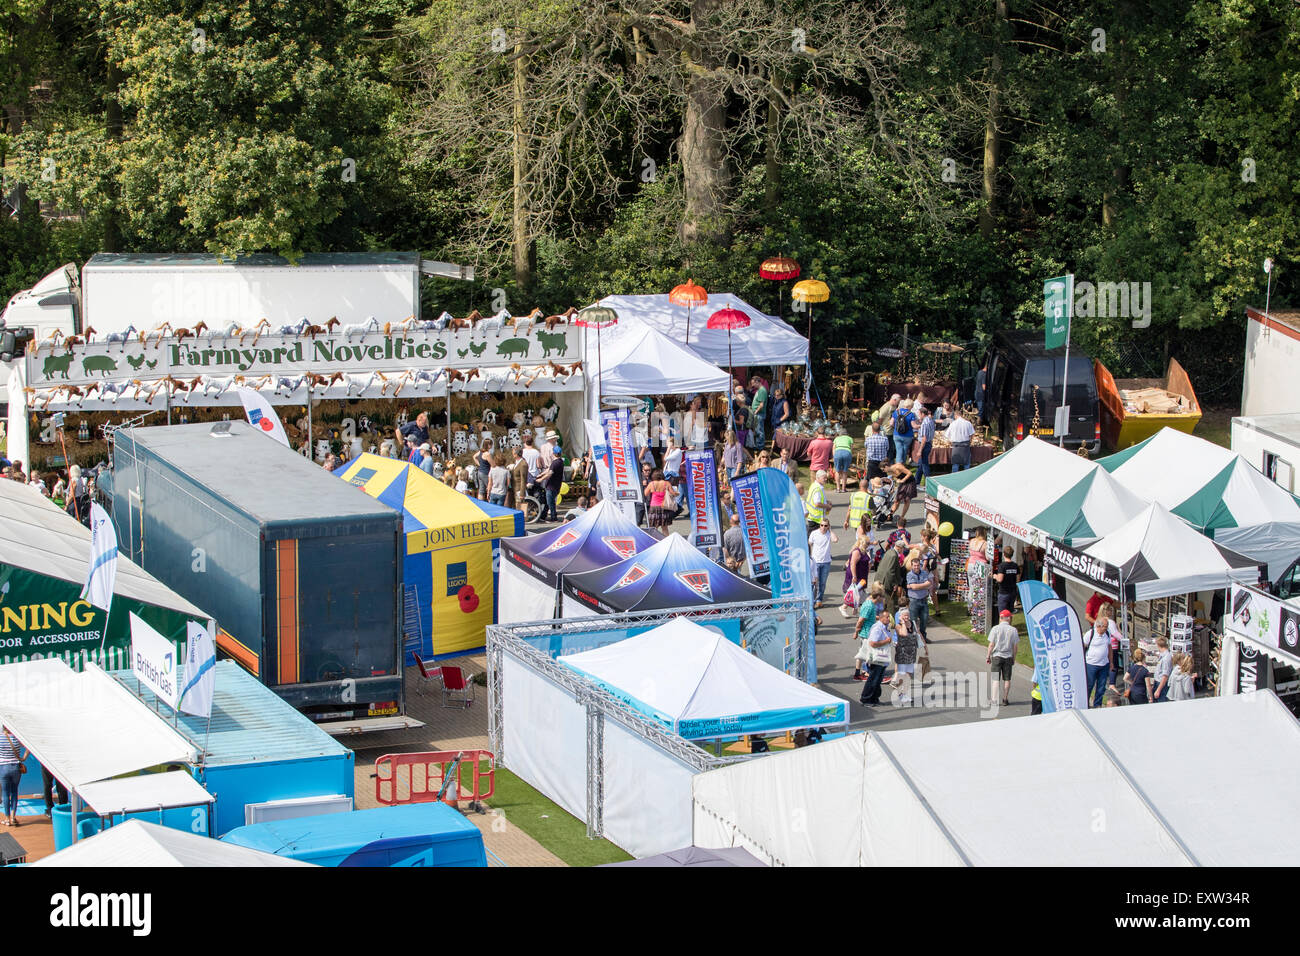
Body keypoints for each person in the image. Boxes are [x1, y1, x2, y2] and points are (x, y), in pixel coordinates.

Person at [1083, 605, 1121, 708]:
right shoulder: (1090, 634)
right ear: (1099, 626)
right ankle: (1085, 704)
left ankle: (1097, 705)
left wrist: (1111, 662)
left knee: (1101, 686)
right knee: (1090, 685)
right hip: (1091, 664)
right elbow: (1083, 646)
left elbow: (1109, 647)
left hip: (1104, 664)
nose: (1106, 628)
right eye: (1105, 626)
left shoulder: (1107, 634)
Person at [858, 608, 895, 706]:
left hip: (882, 658)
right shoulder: (877, 628)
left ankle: (874, 698)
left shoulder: (884, 626)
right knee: (873, 679)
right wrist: (886, 641)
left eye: (889, 617)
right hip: (876, 658)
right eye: (887, 617)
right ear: (881, 618)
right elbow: (872, 643)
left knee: (878, 679)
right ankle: (866, 699)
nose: (889, 619)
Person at [986, 608, 1020, 707]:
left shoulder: (995, 629)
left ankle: (994, 700)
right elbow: (1015, 646)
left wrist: (988, 656)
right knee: (1007, 679)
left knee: (996, 679)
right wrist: (1013, 658)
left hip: (997, 656)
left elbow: (991, 644)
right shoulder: (1013, 630)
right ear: (1009, 619)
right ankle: (1005, 699)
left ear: (1001, 618)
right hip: (1008, 656)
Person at [891, 608, 919, 706]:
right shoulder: (898, 626)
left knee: (908, 675)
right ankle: (899, 694)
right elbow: (905, 634)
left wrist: (925, 647)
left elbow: (918, 634)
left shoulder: (912, 623)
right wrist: (903, 623)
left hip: (911, 653)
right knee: (902, 675)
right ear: (900, 617)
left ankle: (905, 693)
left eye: (907, 615)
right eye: (904, 615)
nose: (906, 617)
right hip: (902, 653)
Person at [0, 724, 26, 827]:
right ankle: (13, 817)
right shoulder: (17, 737)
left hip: (3, 768)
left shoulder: (0, 737)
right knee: (14, 792)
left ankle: (7, 819)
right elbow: (29, 747)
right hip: (16, 768)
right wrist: (23, 758)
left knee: (5, 793)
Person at [875, 536, 909, 613]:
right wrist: (894, 584)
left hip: (880, 579)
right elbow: (890, 571)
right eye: (903, 548)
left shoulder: (889, 551)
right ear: (899, 547)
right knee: (891, 603)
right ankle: (892, 621)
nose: (903, 550)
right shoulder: (894, 555)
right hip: (887, 582)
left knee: (883, 601)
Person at [808, 518, 837, 607]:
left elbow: (835, 540)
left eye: (825, 526)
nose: (823, 527)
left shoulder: (829, 534)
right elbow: (809, 543)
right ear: (819, 525)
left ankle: (819, 600)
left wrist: (831, 530)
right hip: (816, 562)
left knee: (822, 583)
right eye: (822, 525)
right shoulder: (814, 533)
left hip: (826, 562)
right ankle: (812, 601)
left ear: (828, 526)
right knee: (814, 582)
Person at [967, 528, 991, 632]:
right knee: (979, 590)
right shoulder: (984, 543)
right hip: (980, 566)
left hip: (970, 565)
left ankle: (969, 607)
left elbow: (970, 553)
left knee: (971, 588)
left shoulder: (972, 541)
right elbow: (987, 557)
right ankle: (978, 610)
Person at [905, 553, 933, 642]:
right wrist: (923, 585)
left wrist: (917, 585)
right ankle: (913, 638)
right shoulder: (910, 575)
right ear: (912, 566)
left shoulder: (924, 573)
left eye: (918, 565)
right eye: (915, 566)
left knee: (924, 620)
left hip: (923, 599)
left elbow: (929, 584)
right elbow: (914, 587)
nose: (916, 567)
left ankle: (923, 638)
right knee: (913, 620)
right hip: (914, 600)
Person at [991, 545, 1019, 616]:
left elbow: (1000, 579)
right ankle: (1009, 625)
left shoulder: (1002, 566)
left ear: (1003, 554)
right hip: (1012, 592)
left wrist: (995, 576)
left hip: (1004, 592)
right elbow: (1018, 579)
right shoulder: (1015, 565)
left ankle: (1002, 626)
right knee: (1010, 612)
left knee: (1002, 613)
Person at [946, 407, 975, 472]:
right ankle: (967, 479)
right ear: (961, 415)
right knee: (966, 465)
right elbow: (972, 434)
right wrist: (970, 441)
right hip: (965, 446)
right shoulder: (968, 423)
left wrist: (950, 442)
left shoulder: (953, 424)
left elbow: (947, 435)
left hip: (956, 446)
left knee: (955, 465)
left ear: (955, 415)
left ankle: (954, 479)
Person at [915, 404, 935, 487]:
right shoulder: (931, 421)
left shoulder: (924, 424)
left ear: (923, 414)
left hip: (924, 444)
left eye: (919, 414)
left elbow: (924, 438)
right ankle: (916, 481)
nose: (919, 416)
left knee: (924, 464)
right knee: (921, 463)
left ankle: (928, 482)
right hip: (929, 443)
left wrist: (919, 450)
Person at [892, 398, 916, 466]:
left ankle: (898, 465)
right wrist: (920, 425)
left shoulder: (896, 412)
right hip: (907, 435)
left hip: (897, 434)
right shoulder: (911, 414)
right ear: (910, 406)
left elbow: (891, 423)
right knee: (905, 451)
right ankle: (902, 465)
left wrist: (896, 428)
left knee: (899, 450)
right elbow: (913, 426)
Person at [878, 394, 900, 462]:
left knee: (892, 449)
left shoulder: (895, 406)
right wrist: (879, 428)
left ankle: (891, 462)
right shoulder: (886, 407)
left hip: (893, 431)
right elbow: (880, 419)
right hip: (886, 431)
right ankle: (887, 463)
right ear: (894, 400)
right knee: (887, 448)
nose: (898, 403)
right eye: (898, 402)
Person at [1151, 637, 1173, 702]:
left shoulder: (1166, 658)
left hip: (1162, 685)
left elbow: (1165, 676)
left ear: (1158, 645)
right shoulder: (1162, 655)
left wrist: (1158, 690)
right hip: (1157, 683)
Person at [750, 376, 768, 449]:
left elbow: (761, 404)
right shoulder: (760, 390)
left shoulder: (762, 390)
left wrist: (756, 411)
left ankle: (760, 446)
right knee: (758, 430)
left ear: (757, 382)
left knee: (759, 430)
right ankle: (759, 445)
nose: (752, 385)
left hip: (759, 414)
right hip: (758, 413)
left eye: (753, 383)